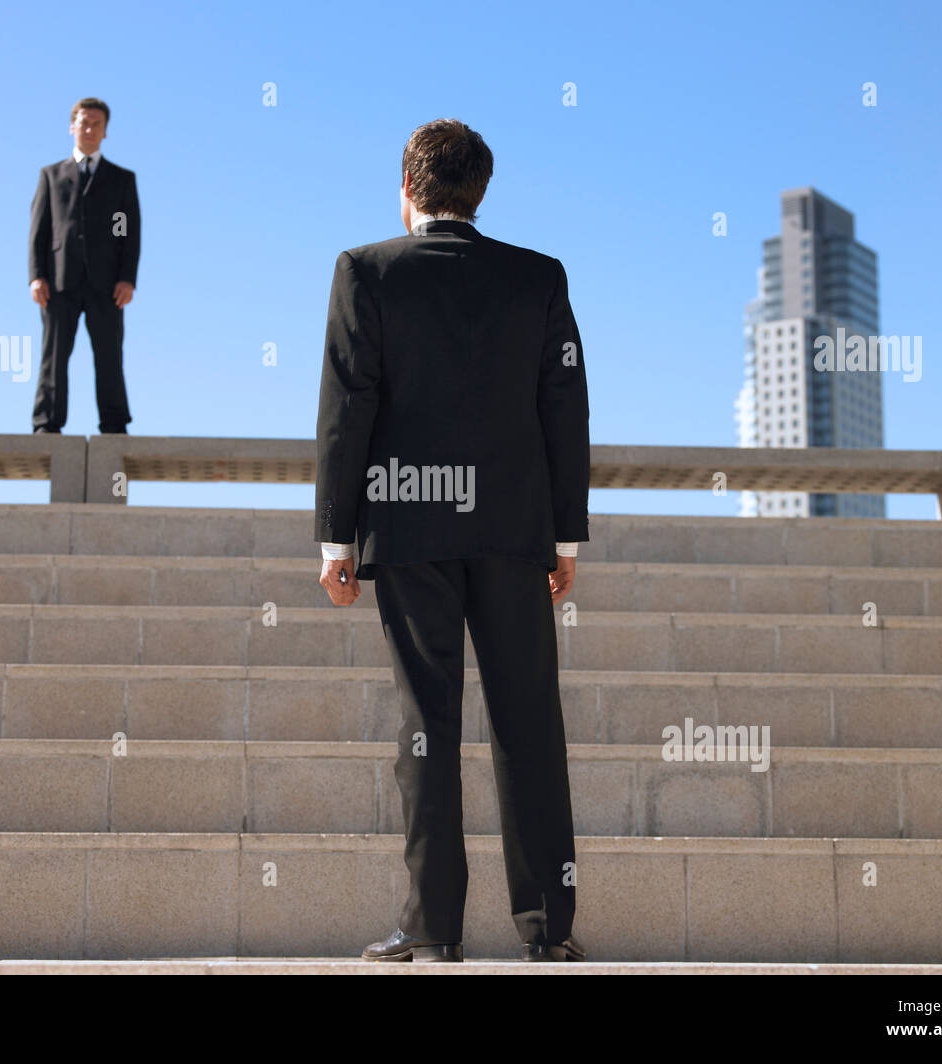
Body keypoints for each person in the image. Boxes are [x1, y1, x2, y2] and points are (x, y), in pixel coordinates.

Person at [314, 118, 591, 963]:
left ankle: (432, 929)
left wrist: (336, 537)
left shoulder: (365, 271)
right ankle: (549, 930)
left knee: (426, 726)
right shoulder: (538, 277)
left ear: (407, 189)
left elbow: (346, 406)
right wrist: (566, 538)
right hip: (514, 533)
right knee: (528, 724)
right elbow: (565, 412)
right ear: (480, 192)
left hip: (407, 526)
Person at [28, 97, 140, 434]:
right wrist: (37, 276)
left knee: (109, 356)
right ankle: (47, 422)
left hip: (107, 284)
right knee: (54, 355)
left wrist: (127, 278)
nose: (89, 129)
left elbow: (128, 232)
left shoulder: (121, 179)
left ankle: (114, 423)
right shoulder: (50, 175)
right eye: (84, 122)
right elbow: (40, 228)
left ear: (105, 132)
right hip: (59, 281)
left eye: (97, 124)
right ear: (72, 126)